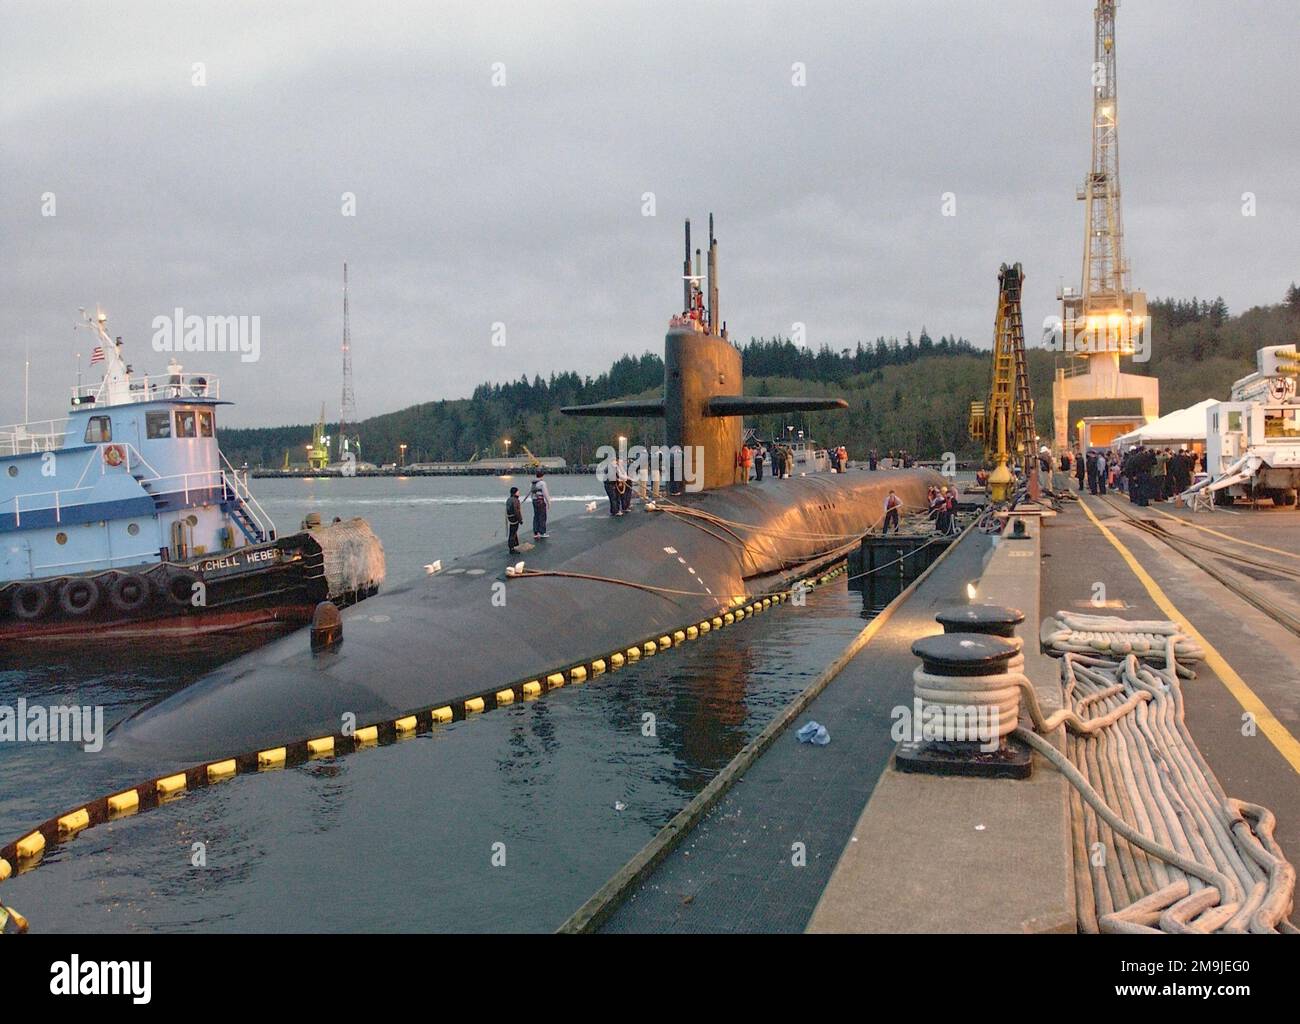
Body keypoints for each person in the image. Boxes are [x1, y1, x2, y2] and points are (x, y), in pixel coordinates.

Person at [529, 470, 551, 539]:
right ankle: (542, 532)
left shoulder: (532, 483)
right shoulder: (542, 483)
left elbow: (531, 493)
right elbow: (545, 493)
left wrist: (533, 499)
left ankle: (535, 532)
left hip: (534, 501)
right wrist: (549, 502)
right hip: (540, 501)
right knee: (542, 516)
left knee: (536, 516)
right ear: (542, 476)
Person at [505, 486, 523, 552]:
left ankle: (515, 544)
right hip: (514, 519)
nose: (519, 493)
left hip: (510, 518)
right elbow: (516, 511)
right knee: (513, 533)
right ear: (515, 493)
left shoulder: (509, 499)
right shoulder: (515, 500)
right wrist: (520, 520)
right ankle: (512, 548)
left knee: (513, 531)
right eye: (518, 492)